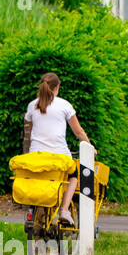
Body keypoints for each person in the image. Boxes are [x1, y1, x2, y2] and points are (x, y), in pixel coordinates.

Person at [22, 72, 92, 225]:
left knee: (41, 180)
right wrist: (90, 146)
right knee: (73, 174)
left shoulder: (32, 105)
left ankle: (38, 217)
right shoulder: (64, 105)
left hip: (37, 156)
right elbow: (78, 131)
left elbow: (30, 131)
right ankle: (64, 210)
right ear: (57, 87)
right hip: (59, 156)